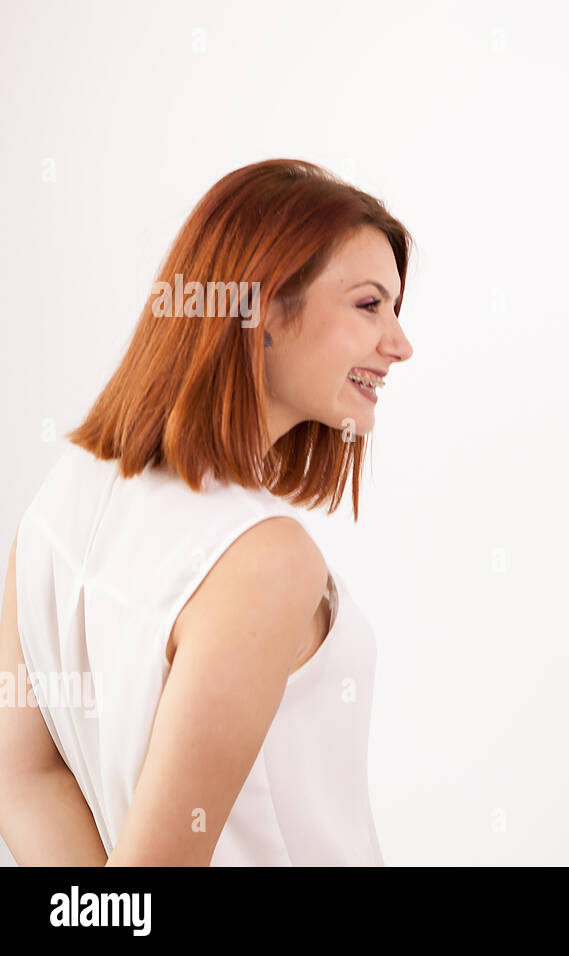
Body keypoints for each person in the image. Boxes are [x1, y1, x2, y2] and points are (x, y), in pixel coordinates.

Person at [0, 158, 414, 865]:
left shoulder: (65, 492)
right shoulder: (262, 560)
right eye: (370, 305)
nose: (400, 345)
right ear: (263, 311)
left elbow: (24, 781)